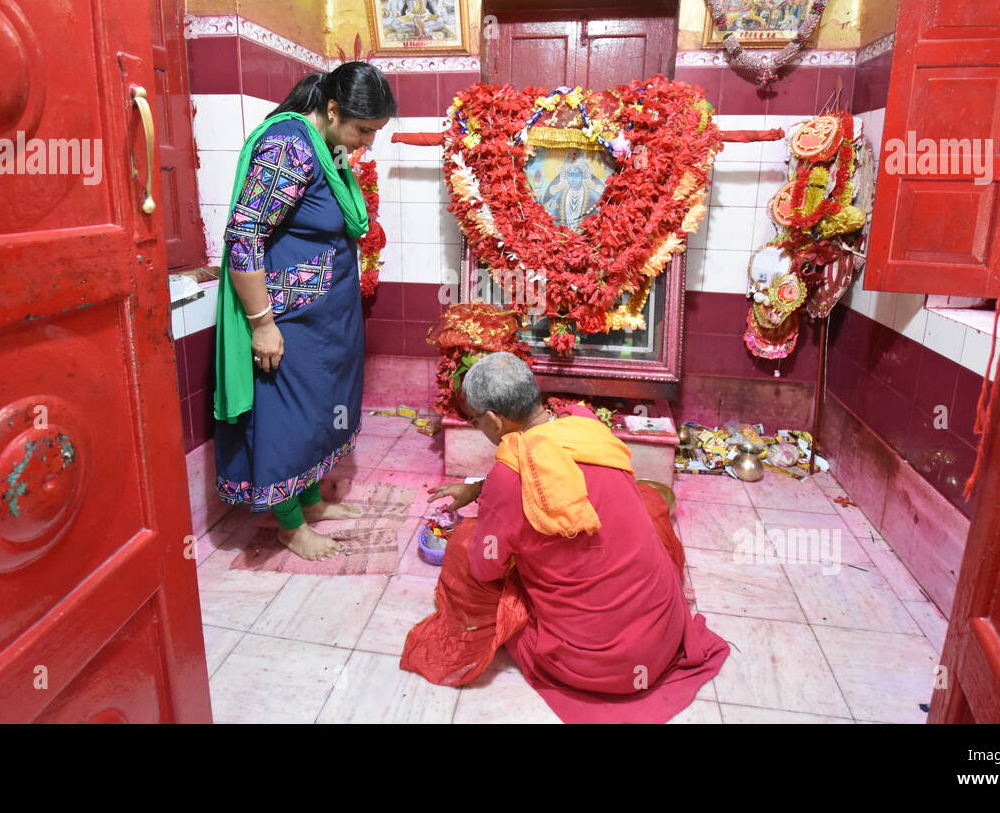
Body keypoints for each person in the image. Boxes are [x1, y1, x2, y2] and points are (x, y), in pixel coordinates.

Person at [401, 352, 731, 723]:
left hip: (593, 668)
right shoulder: (587, 427)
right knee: (649, 500)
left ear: (494, 420)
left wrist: (491, 507)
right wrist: (479, 490)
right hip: (663, 643)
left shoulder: (509, 478)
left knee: (465, 543)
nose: (480, 428)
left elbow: (487, 569)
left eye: (476, 421)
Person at [213, 62, 395, 561]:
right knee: (289, 419)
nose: (366, 143)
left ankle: (312, 503)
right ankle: (289, 526)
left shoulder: (327, 144)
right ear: (333, 109)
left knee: (319, 413)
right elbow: (245, 235)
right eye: (363, 130)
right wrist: (262, 324)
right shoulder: (289, 145)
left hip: (326, 317)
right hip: (288, 318)